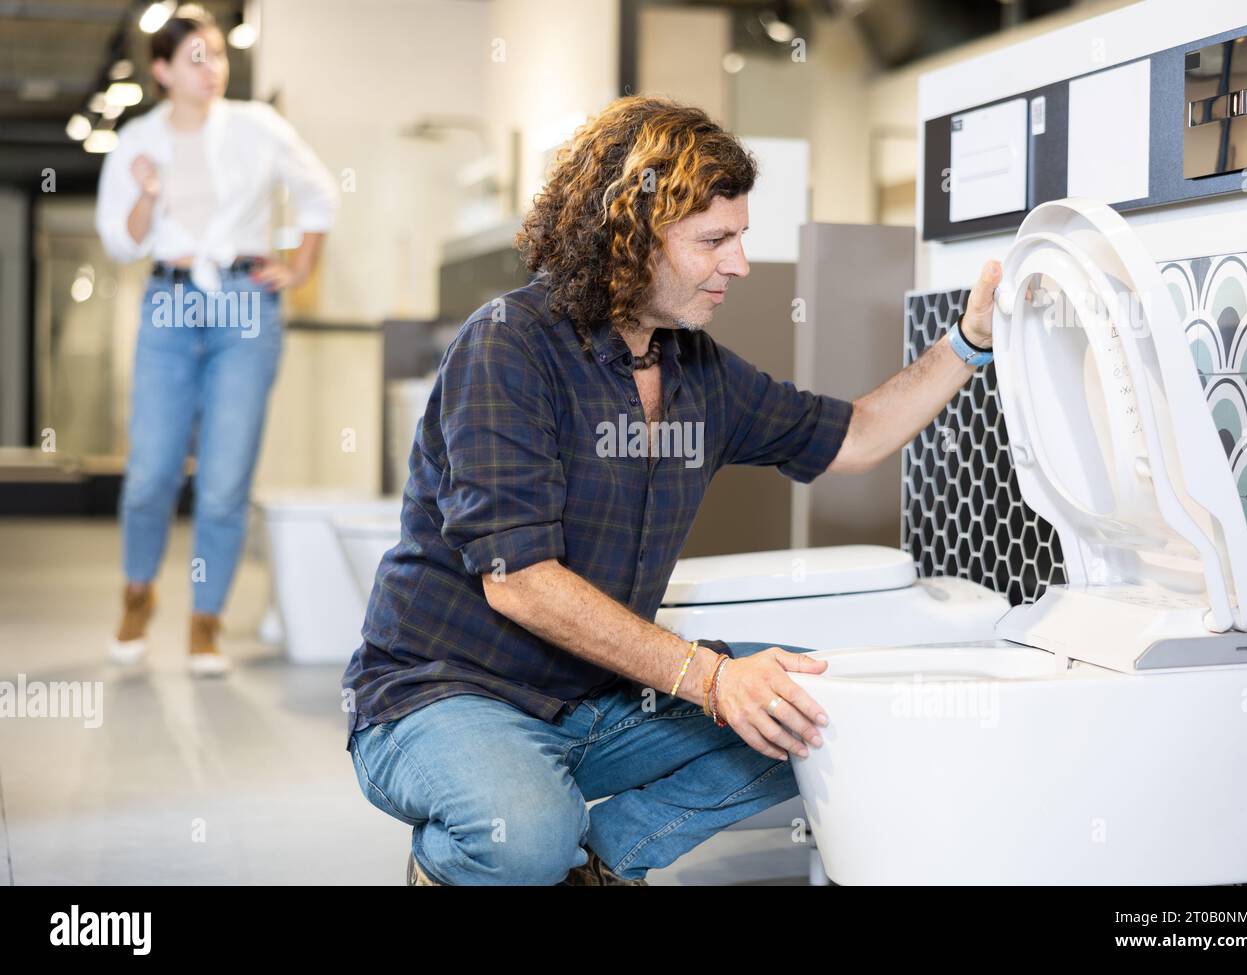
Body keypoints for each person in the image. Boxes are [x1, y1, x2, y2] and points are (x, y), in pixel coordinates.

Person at [341, 95, 999, 885]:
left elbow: (857, 434)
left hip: (597, 699)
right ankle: (478, 856)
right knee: (522, 837)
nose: (740, 265)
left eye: (741, 238)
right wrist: (712, 677)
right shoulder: (508, 346)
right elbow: (520, 583)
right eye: (714, 240)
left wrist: (970, 342)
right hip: (445, 695)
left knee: (817, 717)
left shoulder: (699, 371)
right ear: (629, 235)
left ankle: (598, 858)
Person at [96, 4, 338, 675]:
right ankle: (138, 592)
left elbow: (319, 195)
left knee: (225, 480)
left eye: (219, 55)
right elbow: (122, 240)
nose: (213, 70)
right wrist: (146, 192)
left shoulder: (258, 127)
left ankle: (206, 622)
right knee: (149, 473)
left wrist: (300, 266)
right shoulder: (137, 139)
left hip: (245, 305)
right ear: (164, 70)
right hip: (168, 303)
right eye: (196, 58)